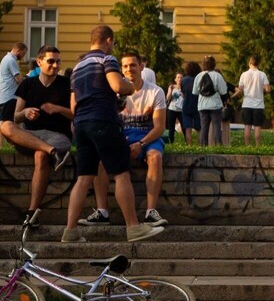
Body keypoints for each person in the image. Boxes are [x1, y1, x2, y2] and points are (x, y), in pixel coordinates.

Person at [60, 26, 165, 244]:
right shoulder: (107, 59)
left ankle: (70, 231)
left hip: (81, 124)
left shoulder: (78, 66)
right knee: (121, 173)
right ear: (109, 40)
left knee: (83, 178)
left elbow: (73, 104)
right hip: (103, 121)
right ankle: (134, 228)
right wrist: (126, 87)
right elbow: (118, 85)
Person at [0, 46, 73, 223]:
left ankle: (32, 212)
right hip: (31, 136)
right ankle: (53, 152)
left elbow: (76, 114)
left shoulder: (66, 84)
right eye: (50, 61)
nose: (55, 65)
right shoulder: (28, 84)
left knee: (40, 155)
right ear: (39, 62)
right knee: (6, 126)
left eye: (58, 61)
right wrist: (25, 112)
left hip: (58, 135)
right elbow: (16, 115)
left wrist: (57, 109)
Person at [118, 54, 170, 227]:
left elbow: (159, 127)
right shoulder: (116, 92)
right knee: (101, 159)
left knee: (155, 157)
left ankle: (151, 211)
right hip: (123, 135)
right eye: (125, 66)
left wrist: (141, 144)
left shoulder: (155, 91)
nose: (129, 69)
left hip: (147, 136)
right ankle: (102, 211)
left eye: (133, 65)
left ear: (141, 66)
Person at [194, 56, 230, 146]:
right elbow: (223, 91)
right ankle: (218, 145)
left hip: (202, 105)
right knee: (216, 126)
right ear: (214, 64)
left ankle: (203, 146)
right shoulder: (218, 76)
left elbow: (195, 92)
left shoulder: (198, 76)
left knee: (204, 127)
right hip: (215, 105)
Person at [236, 56, 270, 146]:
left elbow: (240, 89)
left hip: (246, 104)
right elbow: (268, 89)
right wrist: (262, 87)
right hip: (258, 105)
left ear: (249, 63)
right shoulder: (262, 74)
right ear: (258, 64)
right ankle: (258, 146)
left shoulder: (244, 74)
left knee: (247, 126)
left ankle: (247, 145)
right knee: (257, 127)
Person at [0, 42, 25, 128]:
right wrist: (26, 82)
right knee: (7, 123)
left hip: (4, 96)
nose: (23, 56)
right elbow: (18, 79)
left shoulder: (5, 58)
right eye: (23, 53)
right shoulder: (12, 60)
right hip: (10, 96)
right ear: (18, 50)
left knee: (2, 122)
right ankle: (1, 141)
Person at [173, 62, 202, 144]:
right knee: (199, 128)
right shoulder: (198, 79)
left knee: (188, 129)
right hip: (197, 106)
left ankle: (190, 146)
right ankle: (200, 146)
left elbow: (182, 92)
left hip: (186, 106)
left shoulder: (184, 80)